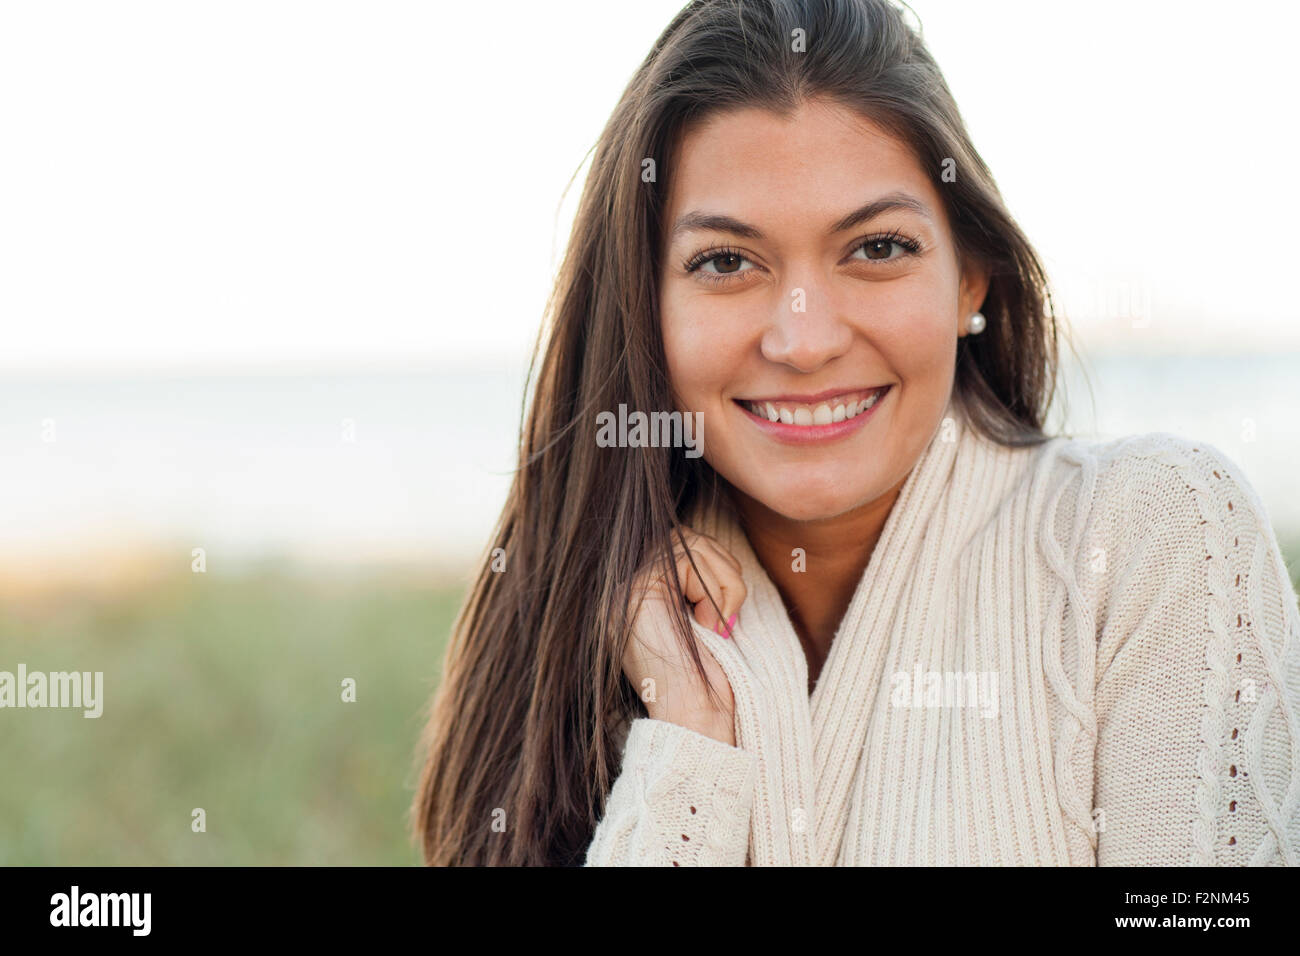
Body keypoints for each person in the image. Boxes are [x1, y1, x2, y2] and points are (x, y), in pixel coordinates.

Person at [413, 0, 1300, 866]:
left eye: (876, 248)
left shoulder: (1158, 538)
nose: (805, 341)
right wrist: (685, 748)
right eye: (727, 262)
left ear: (971, 280)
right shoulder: (596, 642)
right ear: (644, 308)